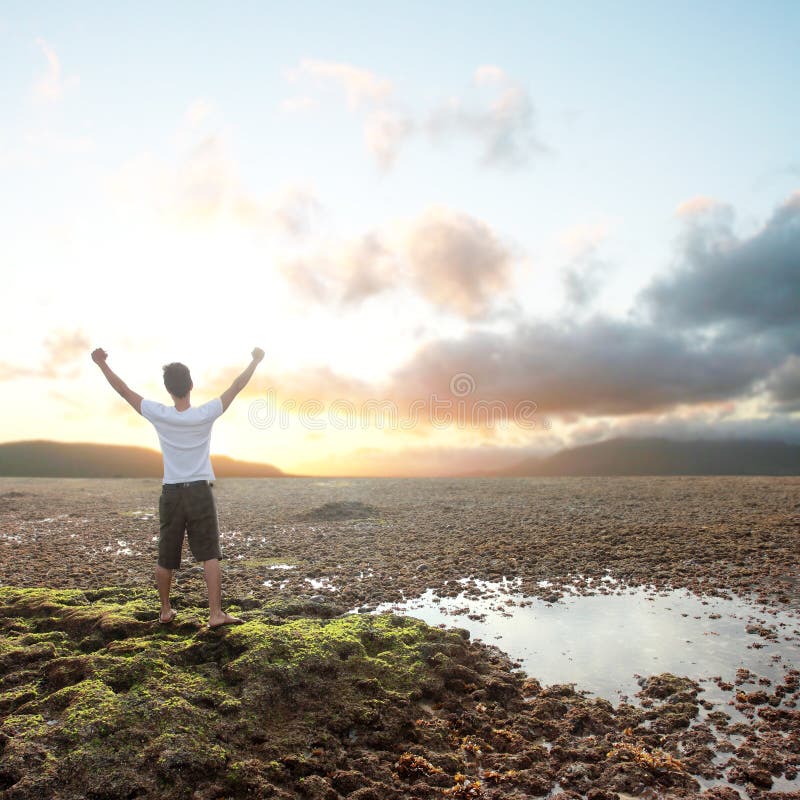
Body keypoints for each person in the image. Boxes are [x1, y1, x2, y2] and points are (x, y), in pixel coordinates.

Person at [91, 346, 265, 627]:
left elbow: (123, 390)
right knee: (209, 554)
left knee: (166, 555)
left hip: (171, 492)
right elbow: (236, 386)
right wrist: (255, 361)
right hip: (199, 491)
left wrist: (101, 364)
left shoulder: (160, 413)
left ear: (168, 389)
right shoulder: (205, 413)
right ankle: (215, 614)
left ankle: (165, 611)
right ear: (191, 385)